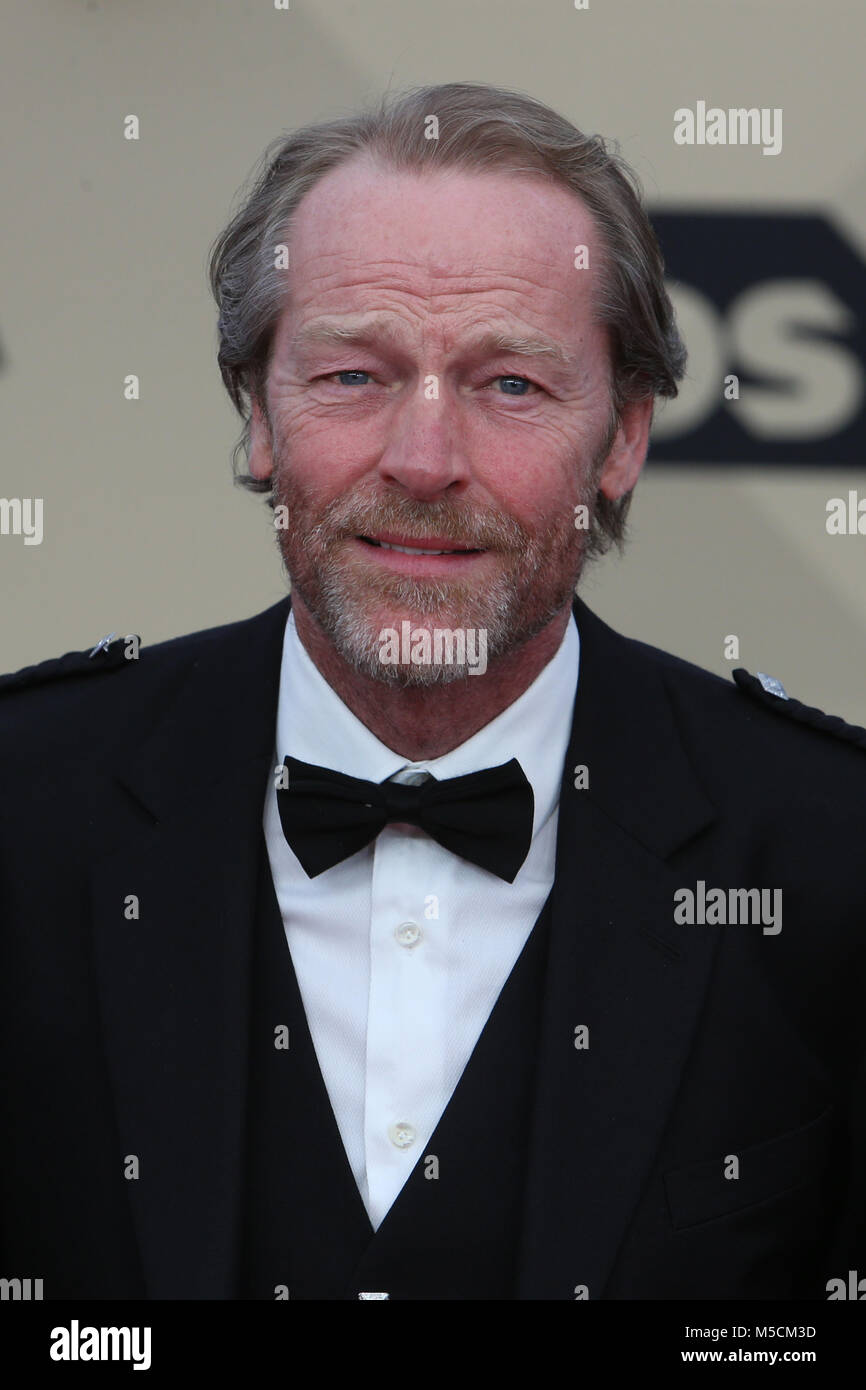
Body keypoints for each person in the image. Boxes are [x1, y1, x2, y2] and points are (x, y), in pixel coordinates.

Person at [1, 81, 864, 1302]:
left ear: (620, 436)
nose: (422, 460)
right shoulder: (25, 811)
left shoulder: (829, 855)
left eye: (508, 384)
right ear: (257, 414)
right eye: (353, 375)